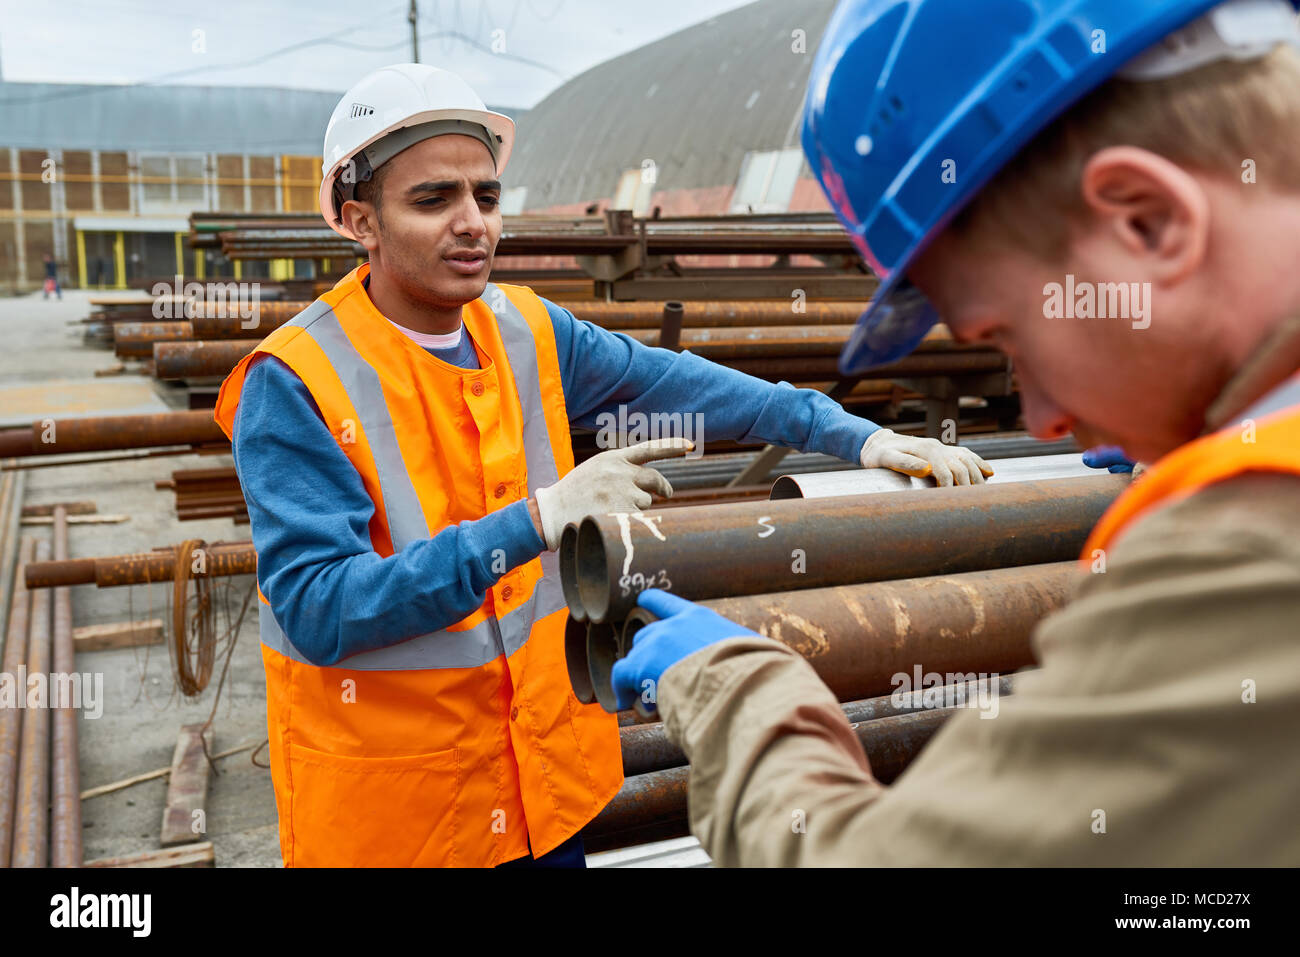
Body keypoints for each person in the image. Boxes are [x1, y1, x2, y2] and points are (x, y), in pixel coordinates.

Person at [212, 63, 992, 868]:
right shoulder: (297, 382)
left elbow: (690, 388)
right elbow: (319, 607)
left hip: (542, 796)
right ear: (358, 221)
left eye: (486, 196)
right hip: (400, 823)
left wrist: (852, 436)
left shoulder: (524, 330)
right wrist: (542, 519)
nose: (472, 222)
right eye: (433, 199)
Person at [611, 0, 1300, 865]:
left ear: (1147, 222)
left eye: (1009, 337)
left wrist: (736, 692)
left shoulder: (1252, 555)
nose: (1044, 415)